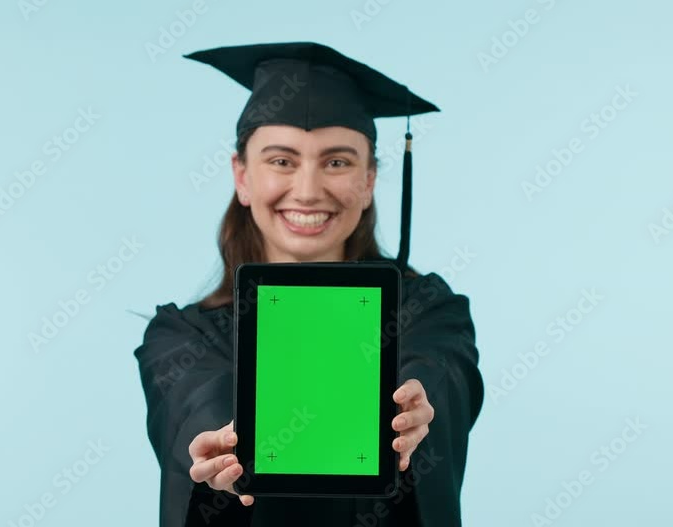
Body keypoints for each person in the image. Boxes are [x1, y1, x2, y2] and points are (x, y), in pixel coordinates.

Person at [134, 42, 485, 526]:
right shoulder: (183, 335)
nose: (307, 190)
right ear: (242, 177)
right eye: (281, 161)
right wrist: (226, 441)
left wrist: (414, 404)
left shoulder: (426, 310)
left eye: (337, 162)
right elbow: (198, 399)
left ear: (369, 180)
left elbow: (436, 369)